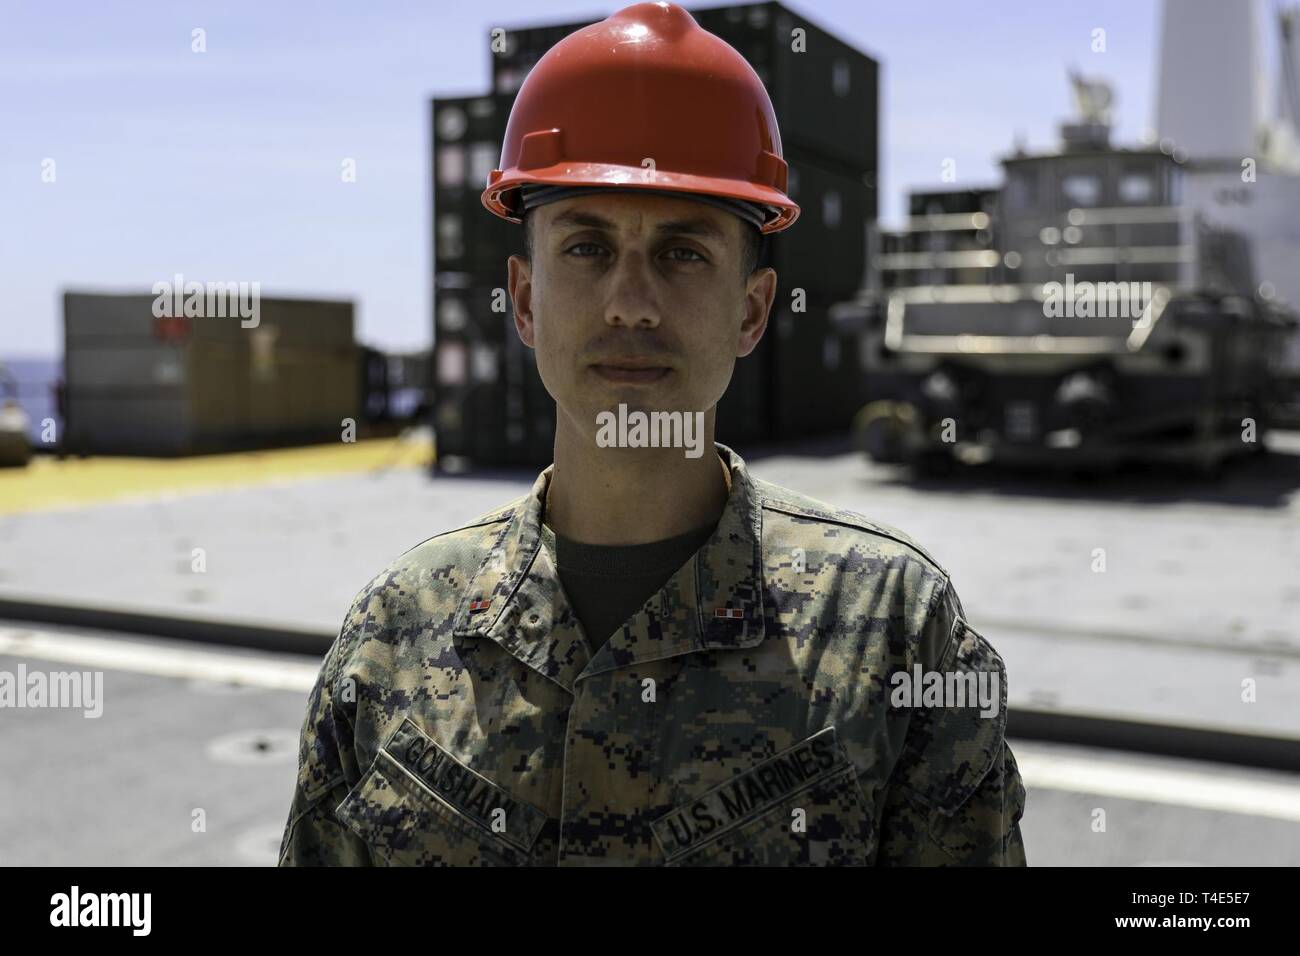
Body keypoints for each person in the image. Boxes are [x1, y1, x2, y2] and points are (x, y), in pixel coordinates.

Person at [278, 0, 1026, 866]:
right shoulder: (393, 633)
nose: (631, 301)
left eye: (682, 253)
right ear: (523, 298)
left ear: (752, 310)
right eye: (588, 248)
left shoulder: (892, 627)